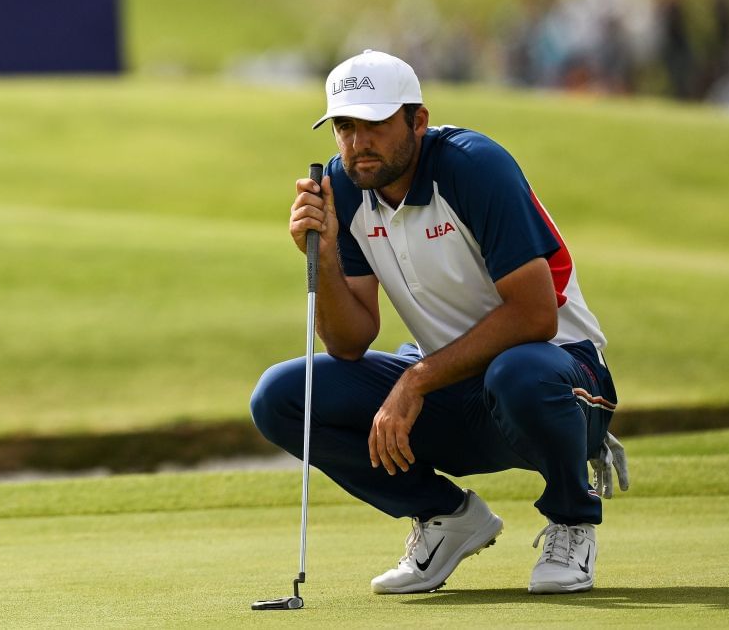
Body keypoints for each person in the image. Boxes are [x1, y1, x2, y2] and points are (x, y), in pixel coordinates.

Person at [249, 49, 626, 596]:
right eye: (345, 127)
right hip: (451, 389)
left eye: (375, 124)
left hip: (560, 379)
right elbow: (350, 342)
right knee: (282, 396)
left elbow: (535, 315)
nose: (358, 143)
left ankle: (572, 518)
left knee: (518, 373)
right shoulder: (347, 187)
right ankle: (446, 516)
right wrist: (325, 253)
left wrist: (416, 379)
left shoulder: (475, 167)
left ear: (417, 121)